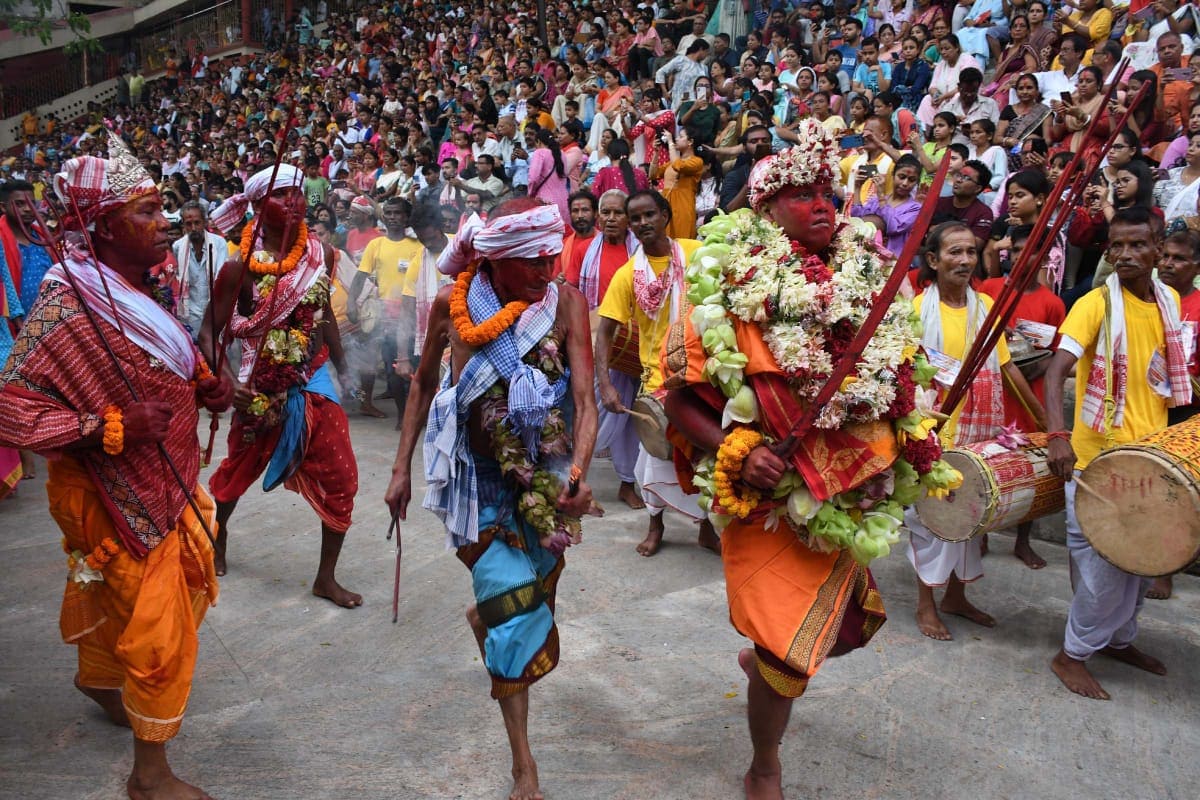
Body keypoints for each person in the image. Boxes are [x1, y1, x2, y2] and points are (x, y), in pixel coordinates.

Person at [660, 126, 899, 800]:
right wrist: (740, 447)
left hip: (847, 491)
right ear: (764, 211)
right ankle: (765, 762)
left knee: (838, 633)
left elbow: (895, 383)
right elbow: (678, 400)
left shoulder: (866, 275)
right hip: (765, 497)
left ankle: (765, 666)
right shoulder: (723, 283)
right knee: (784, 648)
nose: (822, 204)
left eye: (827, 191)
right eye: (801, 194)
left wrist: (905, 444)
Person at [0, 137, 230, 798]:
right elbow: (13, 410)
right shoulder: (65, 305)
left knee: (133, 599)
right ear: (102, 228)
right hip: (109, 490)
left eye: (162, 208)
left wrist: (205, 383)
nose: (165, 221)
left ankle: (100, 680)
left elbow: (165, 359)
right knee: (159, 626)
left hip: (169, 479)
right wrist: (107, 428)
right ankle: (150, 777)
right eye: (149, 211)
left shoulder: (132, 286)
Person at [385, 199, 597, 800]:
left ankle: (486, 613)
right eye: (530, 261)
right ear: (494, 262)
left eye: (550, 256)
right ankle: (523, 764)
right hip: (474, 484)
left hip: (547, 479)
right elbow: (424, 385)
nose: (545, 269)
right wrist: (401, 469)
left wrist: (578, 469)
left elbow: (584, 399)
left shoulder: (567, 304)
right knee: (512, 613)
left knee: (535, 595)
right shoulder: (451, 310)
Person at [1044, 206, 1187, 700]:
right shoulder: (1095, 304)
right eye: (1117, 246)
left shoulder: (1168, 301)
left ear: (1156, 246)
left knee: (1140, 568)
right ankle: (1071, 655)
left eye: (1138, 245)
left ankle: (1118, 639)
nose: (1126, 254)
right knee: (1102, 570)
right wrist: (1057, 436)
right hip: (1094, 463)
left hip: (1149, 459)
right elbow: (1056, 371)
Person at [203, 164, 361, 608]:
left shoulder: (321, 254)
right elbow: (207, 332)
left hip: (314, 378)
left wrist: (344, 367)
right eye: (282, 194)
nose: (295, 201)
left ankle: (325, 577)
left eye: (299, 192)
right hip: (259, 386)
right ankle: (219, 534)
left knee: (343, 477)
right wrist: (226, 381)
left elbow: (323, 313)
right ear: (256, 206)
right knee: (236, 473)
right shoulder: (240, 268)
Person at [907, 221, 1047, 640]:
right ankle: (925, 604)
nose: (965, 260)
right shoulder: (917, 310)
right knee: (931, 522)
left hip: (980, 433)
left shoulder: (986, 306)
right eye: (954, 252)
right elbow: (904, 371)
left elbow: (1004, 365)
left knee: (972, 518)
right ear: (933, 260)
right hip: (932, 431)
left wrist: (1043, 420)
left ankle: (955, 597)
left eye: (971, 251)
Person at [596, 190, 720, 556]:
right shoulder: (627, 275)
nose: (642, 223)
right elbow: (603, 332)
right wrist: (605, 385)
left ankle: (707, 528)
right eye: (636, 219)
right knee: (655, 459)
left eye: (649, 214)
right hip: (658, 382)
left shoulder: (696, 253)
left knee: (706, 459)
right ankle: (656, 526)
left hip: (704, 376)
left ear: (665, 215)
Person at [979, 223, 1066, 569]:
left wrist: (1035, 364)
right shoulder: (988, 289)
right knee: (986, 461)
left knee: (1029, 468)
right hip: (992, 394)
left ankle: (1023, 540)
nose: (1018, 257)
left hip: (1031, 395)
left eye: (1028, 250)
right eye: (1014, 250)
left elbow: (1058, 355)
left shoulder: (1052, 303)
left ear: (1045, 257)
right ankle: (980, 532)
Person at [567, 189, 643, 510]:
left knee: (629, 420)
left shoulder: (640, 253)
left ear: (628, 219)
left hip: (634, 346)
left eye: (618, 213)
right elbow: (572, 295)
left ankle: (627, 484)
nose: (611, 219)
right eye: (606, 213)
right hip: (596, 343)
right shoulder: (585, 251)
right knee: (593, 414)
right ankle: (575, 483)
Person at [1144, 225, 1200, 600]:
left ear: (1197, 265)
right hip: (1147, 405)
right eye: (1165, 256)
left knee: (1175, 493)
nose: (1168, 264)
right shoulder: (1151, 299)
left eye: (1179, 259)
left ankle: (1166, 569)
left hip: (1186, 413)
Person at [347, 197, 424, 423]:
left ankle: (415, 414)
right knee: (392, 372)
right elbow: (360, 277)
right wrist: (352, 303)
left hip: (415, 317)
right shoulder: (376, 245)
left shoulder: (418, 245)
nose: (392, 217)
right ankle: (402, 416)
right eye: (388, 213)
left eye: (397, 213)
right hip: (386, 318)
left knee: (415, 369)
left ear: (407, 217)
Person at [171, 201, 229, 340]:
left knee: (216, 349)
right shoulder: (178, 247)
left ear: (204, 222)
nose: (194, 228)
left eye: (197, 223)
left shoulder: (218, 243)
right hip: (189, 310)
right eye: (188, 224)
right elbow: (177, 279)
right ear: (183, 225)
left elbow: (221, 277)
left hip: (214, 307)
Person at [851, 155, 923, 253]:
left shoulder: (915, 208)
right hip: (868, 256)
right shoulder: (875, 200)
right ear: (893, 175)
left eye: (911, 180)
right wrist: (857, 187)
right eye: (901, 177)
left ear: (917, 182)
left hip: (893, 261)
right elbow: (858, 220)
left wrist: (881, 196)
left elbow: (893, 228)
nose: (905, 183)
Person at [933, 159, 996, 249]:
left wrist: (939, 230)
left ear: (978, 188)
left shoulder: (984, 213)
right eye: (958, 175)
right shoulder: (939, 202)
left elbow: (975, 245)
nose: (958, 180)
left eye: (966, 178)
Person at [660, 128, 704, 239]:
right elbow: (653, 174)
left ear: (690, 142)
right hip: (666, 204)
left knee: (682, 242)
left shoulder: (697, 161)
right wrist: (656, 153)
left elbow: (678, 166)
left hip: (682, 205)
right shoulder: (672, 161)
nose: (676, 139)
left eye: (681, 136)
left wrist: (670, 142)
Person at [558, 190, 597, 280]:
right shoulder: (563, 245)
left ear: (595, 213)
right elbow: (555, 276)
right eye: (575, 211)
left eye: (585, 210)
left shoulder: (605, 243)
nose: (580, 216)